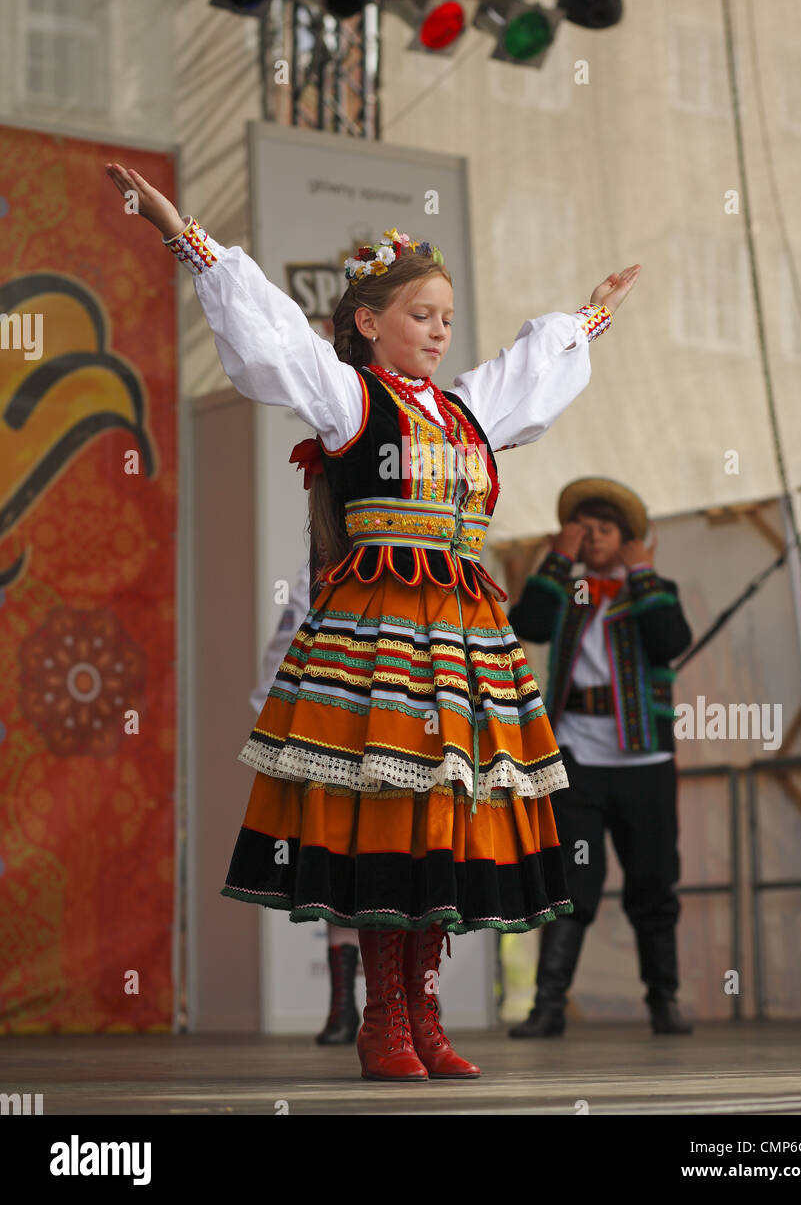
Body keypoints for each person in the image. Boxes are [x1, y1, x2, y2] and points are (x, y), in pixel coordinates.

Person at [105, 160, 640, 1081]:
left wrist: (589, 317)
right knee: (388, 807)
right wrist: (180, 231)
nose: (438, 330)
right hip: (381, 629)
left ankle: (424, 1010)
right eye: (421, 315)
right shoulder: (354, 398)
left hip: (464, 636)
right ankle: (380, 1014)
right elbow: (268, 324)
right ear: (367, 322)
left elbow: (535, 367)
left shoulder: (472, 409)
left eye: (444, 317)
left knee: (450, 811)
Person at [507, 477, 693, 1037]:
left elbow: (669, 639)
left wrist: (642, 572)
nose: (591, 538)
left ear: (628, 539)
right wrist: (556, 557)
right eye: (582, 530)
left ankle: (664, 1001)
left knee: (653, 880)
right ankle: (548, 1006)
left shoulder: (656, 589)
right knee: (571, 876)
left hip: (644, 765)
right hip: (577, 758)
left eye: (603, 530)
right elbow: (528, 624)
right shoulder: (569, 593)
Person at [251, 549, 361, 1046]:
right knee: (337, 869)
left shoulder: (425, 563)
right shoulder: (317, 577)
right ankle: (343, 1009)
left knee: (404, 869)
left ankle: (407, 1002)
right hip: (334, 738)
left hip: (406, 737)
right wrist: (279, 738)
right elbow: (282, 657)